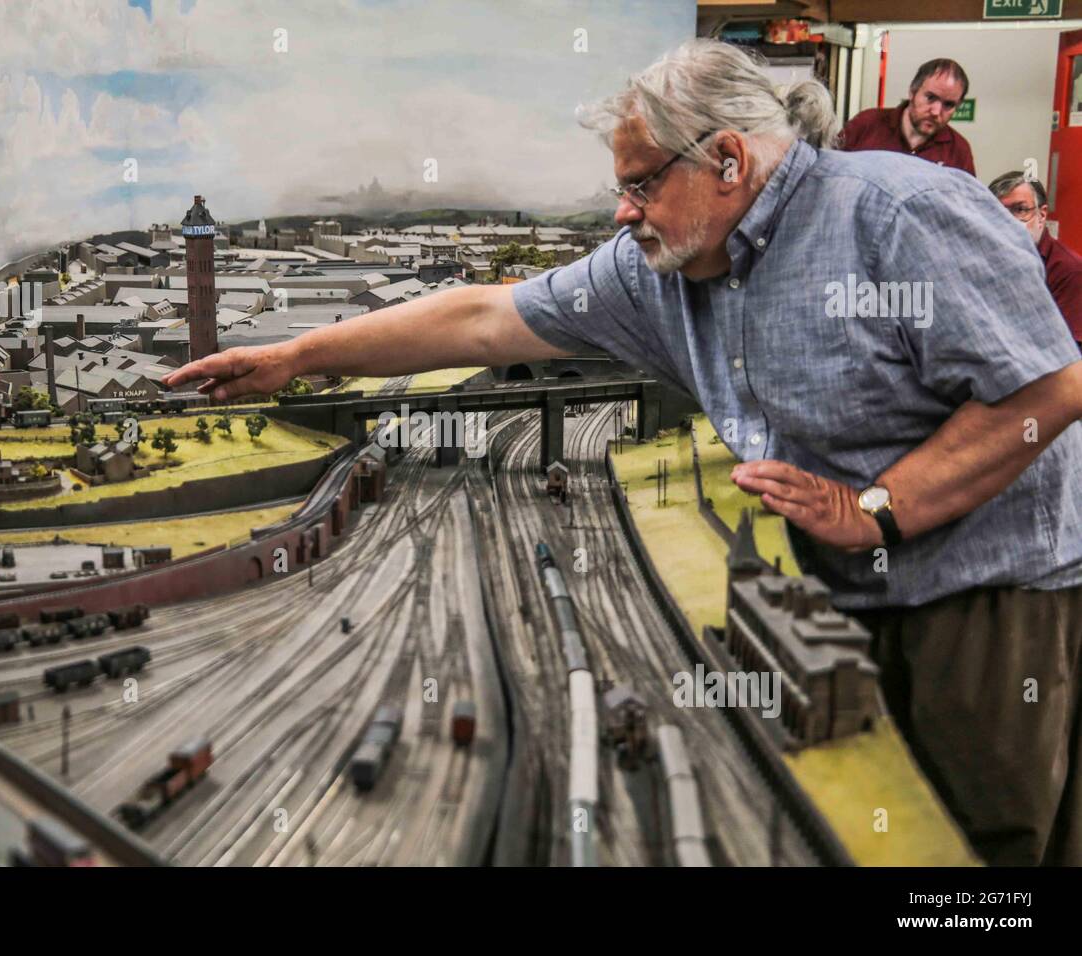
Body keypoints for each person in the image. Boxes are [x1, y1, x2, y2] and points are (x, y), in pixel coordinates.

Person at [164, 39, 1082, 865]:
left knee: (978, 844)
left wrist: (880, 506)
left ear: (728, 159)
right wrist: (293, 357)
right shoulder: (665, 266)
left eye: (642, 183)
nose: (620, 210)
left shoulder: (899, 213)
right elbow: (486, 318)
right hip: (843, 581)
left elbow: (1047, 389)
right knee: (871, 820)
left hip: (986, 594)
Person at [989, 169, 1082, 350]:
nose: (1008, 220)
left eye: (1020, 210)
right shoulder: (984, 259)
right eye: (998, 211)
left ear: (1042, 214)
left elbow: (1070, 354)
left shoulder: (1069, 270)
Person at [840, 58, 975, 176]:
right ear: (912, 92)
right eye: (930, 97)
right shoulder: (867, 124)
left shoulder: (958, 150)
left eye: (948, 105)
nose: (936, 111)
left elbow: (966, 203)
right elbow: (828, 172)